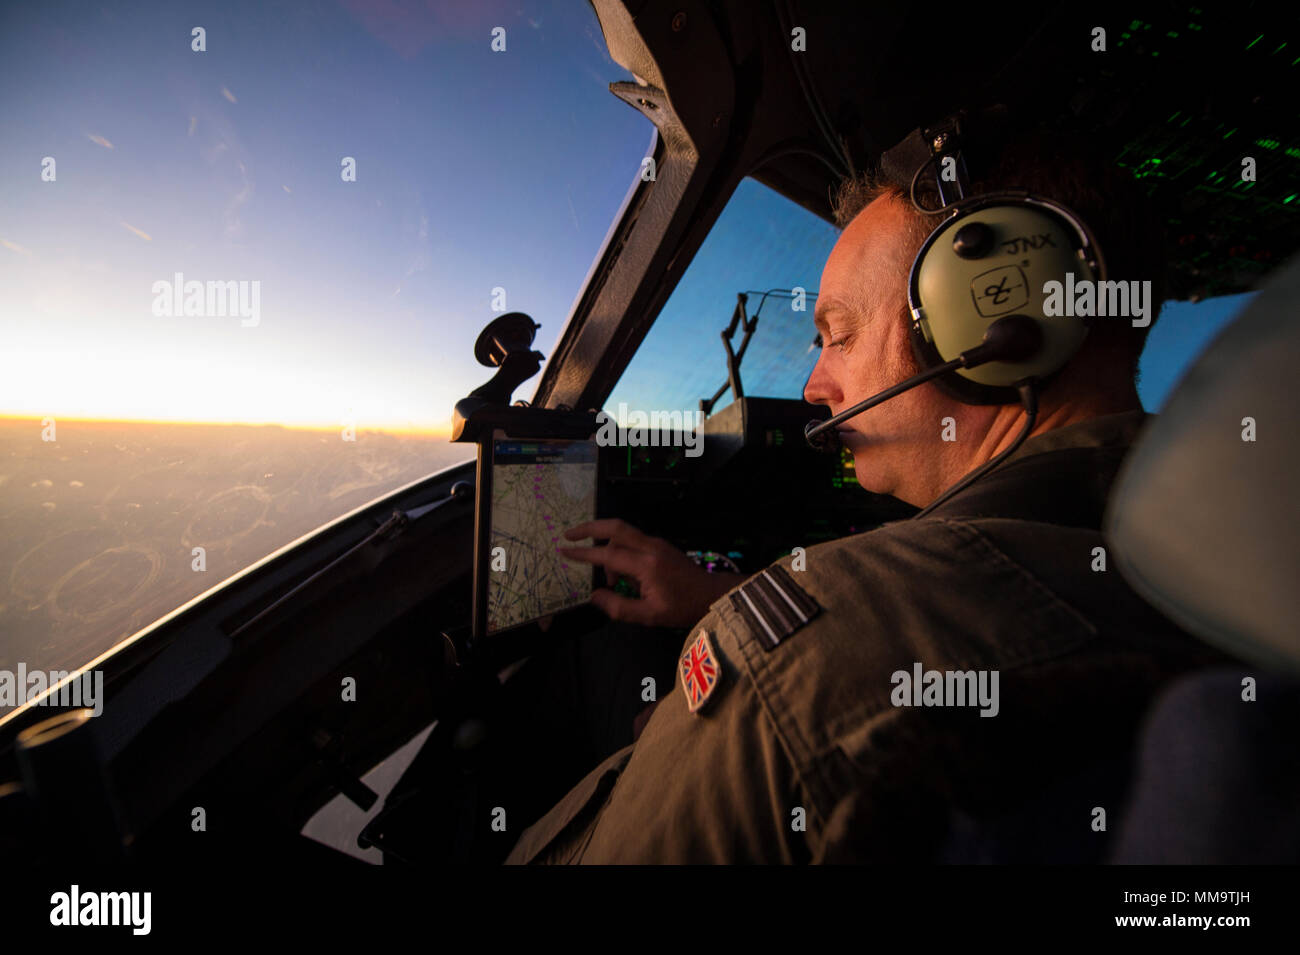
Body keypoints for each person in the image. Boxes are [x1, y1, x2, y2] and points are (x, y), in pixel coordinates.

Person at [502, 129, 1232, 864]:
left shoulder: (787, 657)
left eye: (839, 336)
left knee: (587, 656)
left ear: (988, 327)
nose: (814, 387)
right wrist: (710, 595)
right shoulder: (1232, 553)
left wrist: (695, 715)